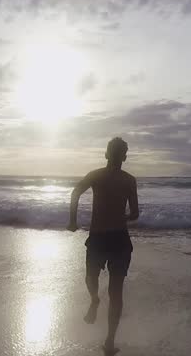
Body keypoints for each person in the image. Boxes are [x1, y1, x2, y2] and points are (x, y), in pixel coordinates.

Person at [67, 137, 139, 355]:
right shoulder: (96, 176)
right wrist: (72, 220)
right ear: (109, 155)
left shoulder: (127, 180)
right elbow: (76, 192)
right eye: (116, 153)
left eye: (119, 153)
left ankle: (109, 340)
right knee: (91, 279)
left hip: (116, 239)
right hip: (101, 237)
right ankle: (95, 300)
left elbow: (135, 212)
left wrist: (73, 220)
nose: (117, 156)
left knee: (115, 292)